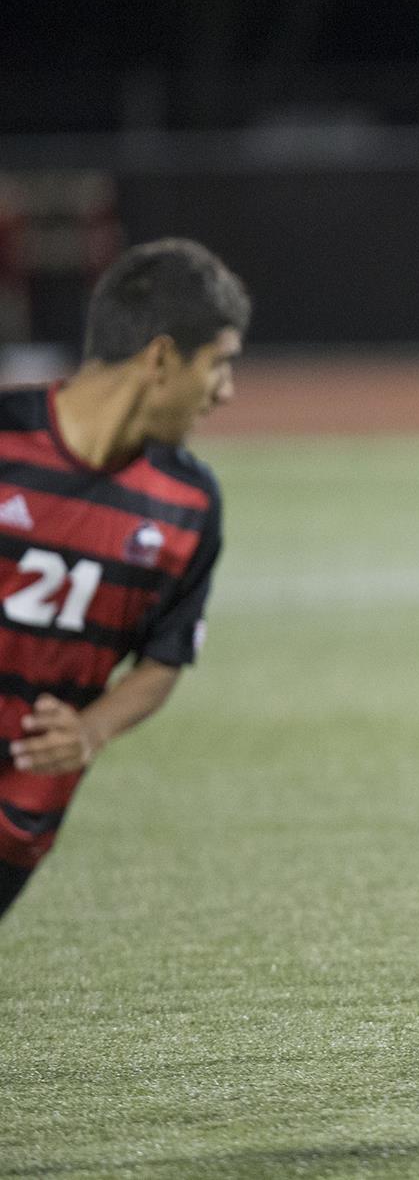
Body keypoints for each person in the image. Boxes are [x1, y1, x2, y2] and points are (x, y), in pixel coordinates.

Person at [0, 238, 248, 920]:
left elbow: (164, 658)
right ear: (161, 360)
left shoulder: (189, 504)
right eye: (219, 364)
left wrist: (89, 730)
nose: (227, 392)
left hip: (23, 812)